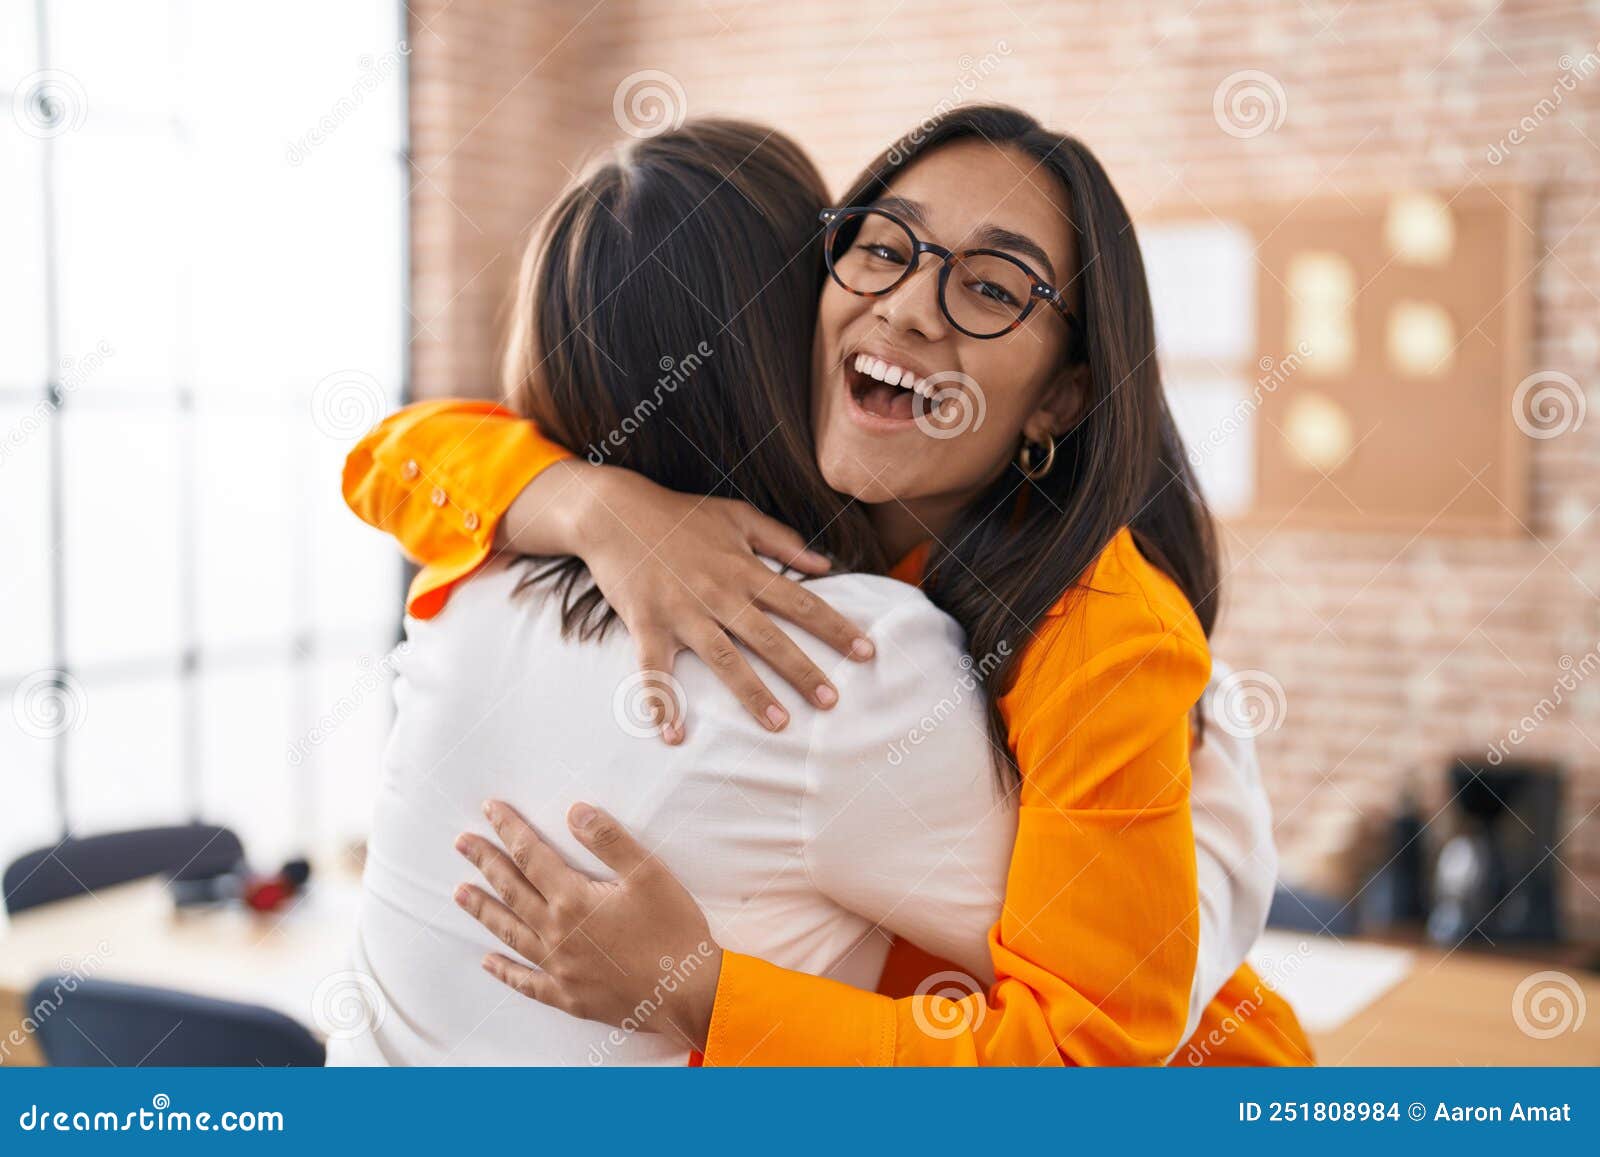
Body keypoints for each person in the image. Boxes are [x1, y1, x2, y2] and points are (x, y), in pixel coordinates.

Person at [346, 106, 1310, 1065]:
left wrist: (703, 994)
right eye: (886, 248)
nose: (910, 305)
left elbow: (1092, 1053)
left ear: (1059, 397)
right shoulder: (800, 561)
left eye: (991, 286)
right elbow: (392, 456)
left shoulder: (1093, 640)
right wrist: (591, 502)